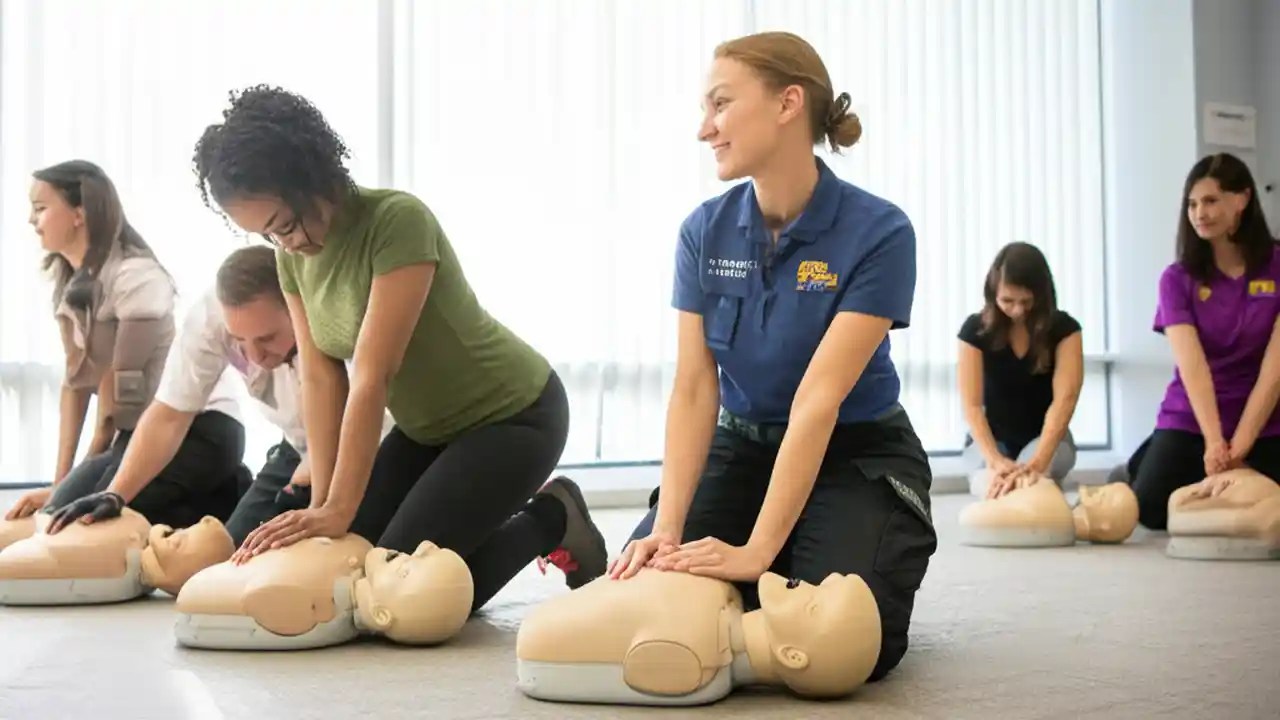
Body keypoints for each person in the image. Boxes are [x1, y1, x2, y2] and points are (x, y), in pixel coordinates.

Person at [190, 85, 607, 613]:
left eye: (285, 224)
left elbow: (371, 374)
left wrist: (341, 507)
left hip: (513, 415)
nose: (284, 243)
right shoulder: (292, 260)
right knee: (348, 564)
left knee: (404, 593)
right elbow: (322, 378)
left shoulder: (397, 222)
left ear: (309, 179)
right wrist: (322, 506)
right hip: (427, 431)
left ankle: (553, 517)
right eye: (267, 235)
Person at [609, 32, 938, 682]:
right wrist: (669, 526)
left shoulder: (881, 232)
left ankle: (784, 552)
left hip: (856, 452)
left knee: (834, 645)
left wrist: (758, 551)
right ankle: (764, 562)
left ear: (788, 103)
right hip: (742, 446)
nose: (705, 128)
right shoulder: (703, 230)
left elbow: (818, 399)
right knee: (641, 593)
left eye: (721, 104)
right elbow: (696, 389)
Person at [4, 160, 249, 530]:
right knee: (55, 515)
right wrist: (61, 483)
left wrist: (70, 488)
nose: (30, 220)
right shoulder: (73, 287)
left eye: (40, 208)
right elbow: (76, 386)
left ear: (79, 214)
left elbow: (121, 396)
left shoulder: (136, 276)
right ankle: (220, 491)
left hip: (199, 428)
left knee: (77, 521)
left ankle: (225, 493)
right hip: (137, 433)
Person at [38, 245, 319, 544]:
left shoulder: (324, 317)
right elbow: (170, 414)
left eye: (267, 339)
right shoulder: (213, 313)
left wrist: (316, 489)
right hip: (294, 448)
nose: (255, 356)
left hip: (351, 447)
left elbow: (361, 418)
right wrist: (115, 495)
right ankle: (227, 495)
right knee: (229, 551)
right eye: (239, 341)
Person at [1129, 152, 1280, 529]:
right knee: (1150, 509)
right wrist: (1216, 444)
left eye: (1211, 201)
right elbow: (1192, 367)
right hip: (1195, 419)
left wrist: (1240, 446)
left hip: (1265, 420)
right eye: (1192, 204)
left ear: (1242, 199)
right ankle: (1142, 463)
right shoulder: (1176, 278)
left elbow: (1274, 373)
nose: (1199, 213)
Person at [957, 242, 1084, 498]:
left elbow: (1065, 401)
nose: (1017, 310)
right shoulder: (974, 331)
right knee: (992, 484)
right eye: (1007, 300)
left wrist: (1037, 464)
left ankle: (1039, 486)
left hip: (1046, 440)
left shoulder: (1065, 330)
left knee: (1029, 484)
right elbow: (972, 407)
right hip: (991, 440)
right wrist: (994, 460)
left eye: (1026, 301)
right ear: (993, 292)